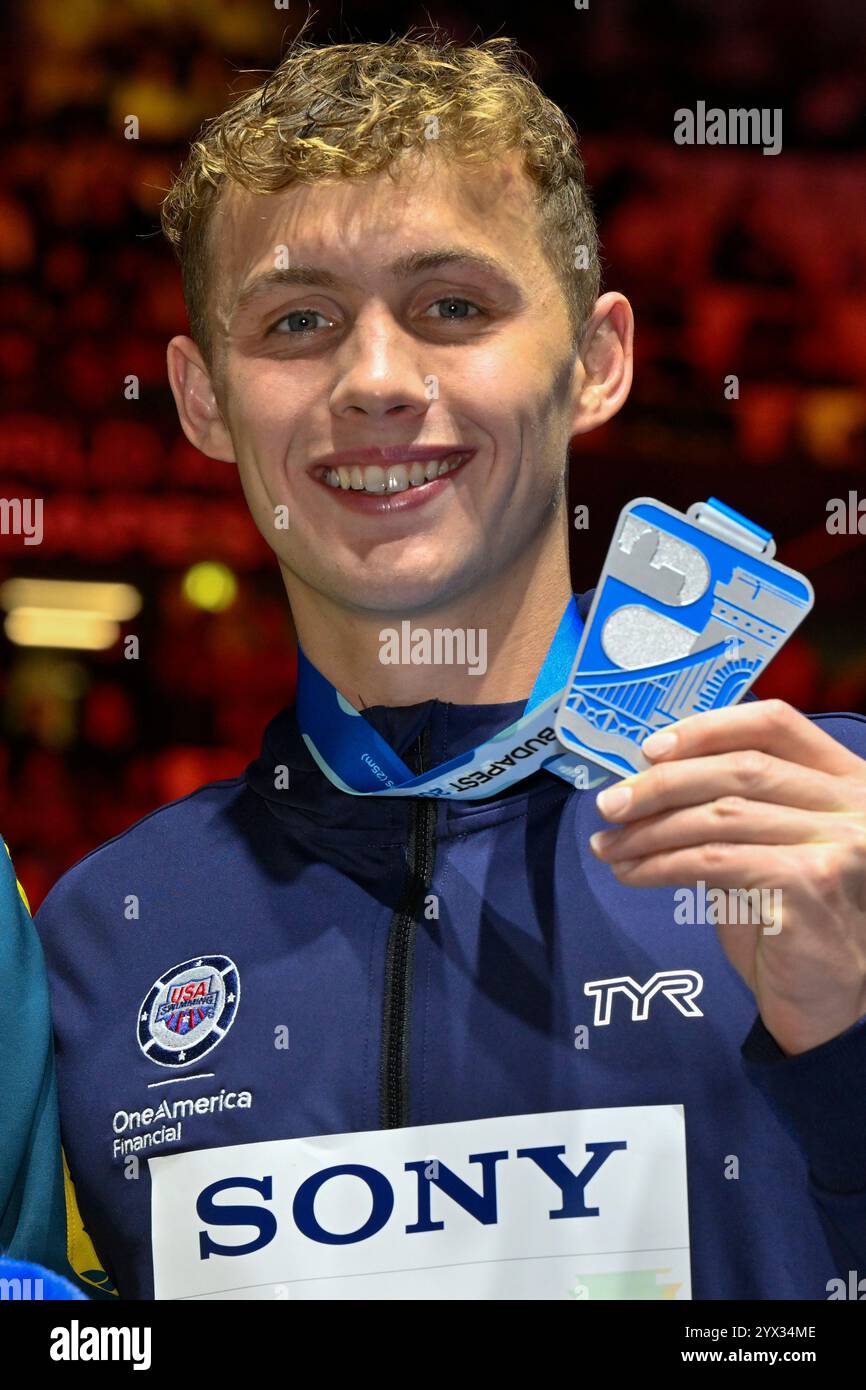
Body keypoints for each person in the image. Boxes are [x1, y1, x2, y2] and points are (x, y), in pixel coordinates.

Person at [35, 32, 866, 1301]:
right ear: (202, 401)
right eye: (297, 320)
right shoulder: (101, 937)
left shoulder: (835, 825)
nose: (375, 379)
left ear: (595, 362)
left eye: (453, 308)